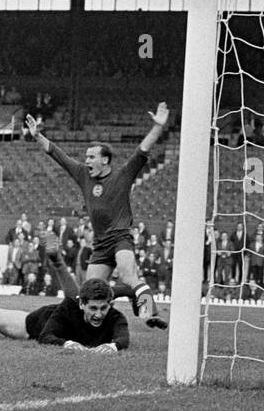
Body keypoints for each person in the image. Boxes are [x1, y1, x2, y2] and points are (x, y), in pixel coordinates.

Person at [24, 105, 169, 328]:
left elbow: (143, 149)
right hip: (100, 244)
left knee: (128, 274)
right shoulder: (84, 175)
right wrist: (37, 136)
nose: (87, 160)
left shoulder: (123, 175)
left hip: (121, 237)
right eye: (87, 157)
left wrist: (158, 125)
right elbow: (57, 154)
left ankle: (151, 313)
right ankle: (126, 297)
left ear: (105, 160)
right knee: (90, 291)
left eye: (92, 157)